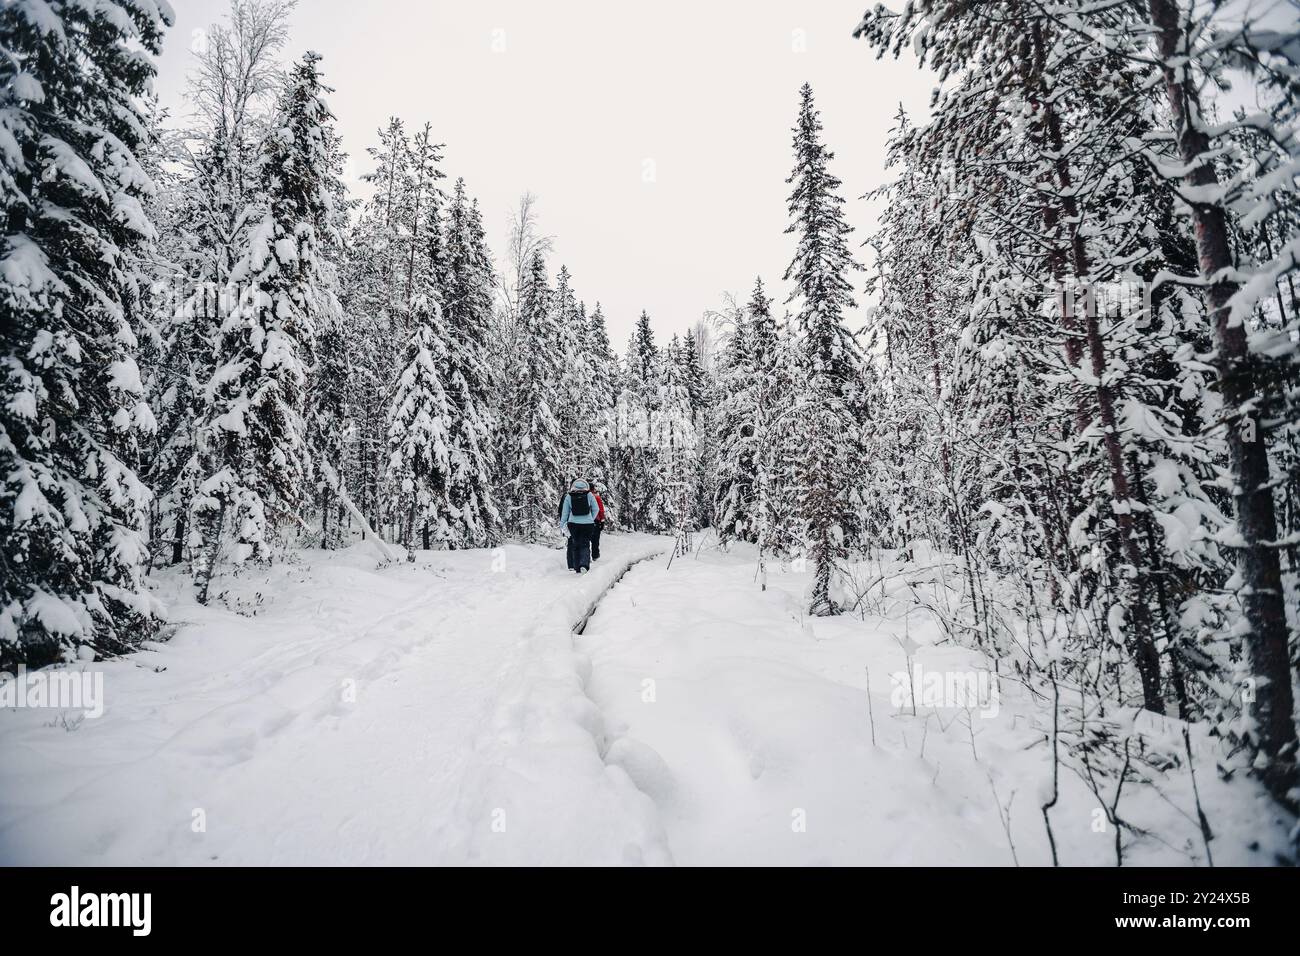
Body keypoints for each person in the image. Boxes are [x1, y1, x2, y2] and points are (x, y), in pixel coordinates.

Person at [559, 479, 599, 573]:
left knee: (576, 544)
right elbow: (596, 509)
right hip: (588, 524)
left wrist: (562, 525)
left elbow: (565, 512)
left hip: (573, 524)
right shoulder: (589, 495)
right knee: (585, 544)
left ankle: (577, 567)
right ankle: (584, 565)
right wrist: (590, 518)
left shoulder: (569, 496)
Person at [590, 482, 607, 560]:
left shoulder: (584, 496)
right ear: (593, 489)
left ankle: (585, 555)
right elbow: (601, 510)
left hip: (585, 521)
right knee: (595, 539)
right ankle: (595, 555)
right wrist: (602, 520)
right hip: (595, 521)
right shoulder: (596, 497)